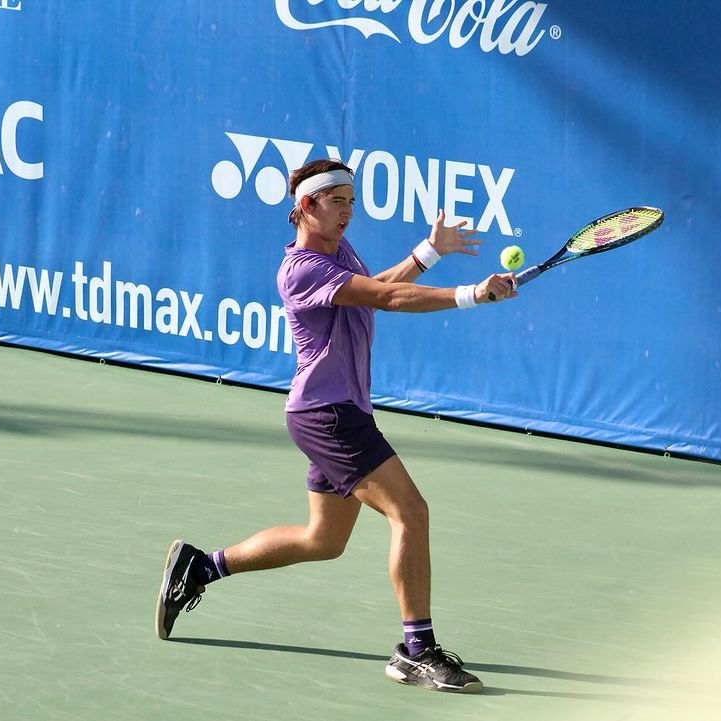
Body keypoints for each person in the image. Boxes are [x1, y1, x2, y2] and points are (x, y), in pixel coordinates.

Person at [156, 159, 516, 693]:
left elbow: (376, 290)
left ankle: (201, 568)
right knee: (410, 512)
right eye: (337, 201)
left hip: (336, 411)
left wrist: (430, 251)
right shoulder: (301, 269)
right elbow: (387, 297)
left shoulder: (339, 252)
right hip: (329, 415)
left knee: (323, 539)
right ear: (307, 205)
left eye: (351, 201)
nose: (348, 211)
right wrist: (471, 294)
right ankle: (416, 651)